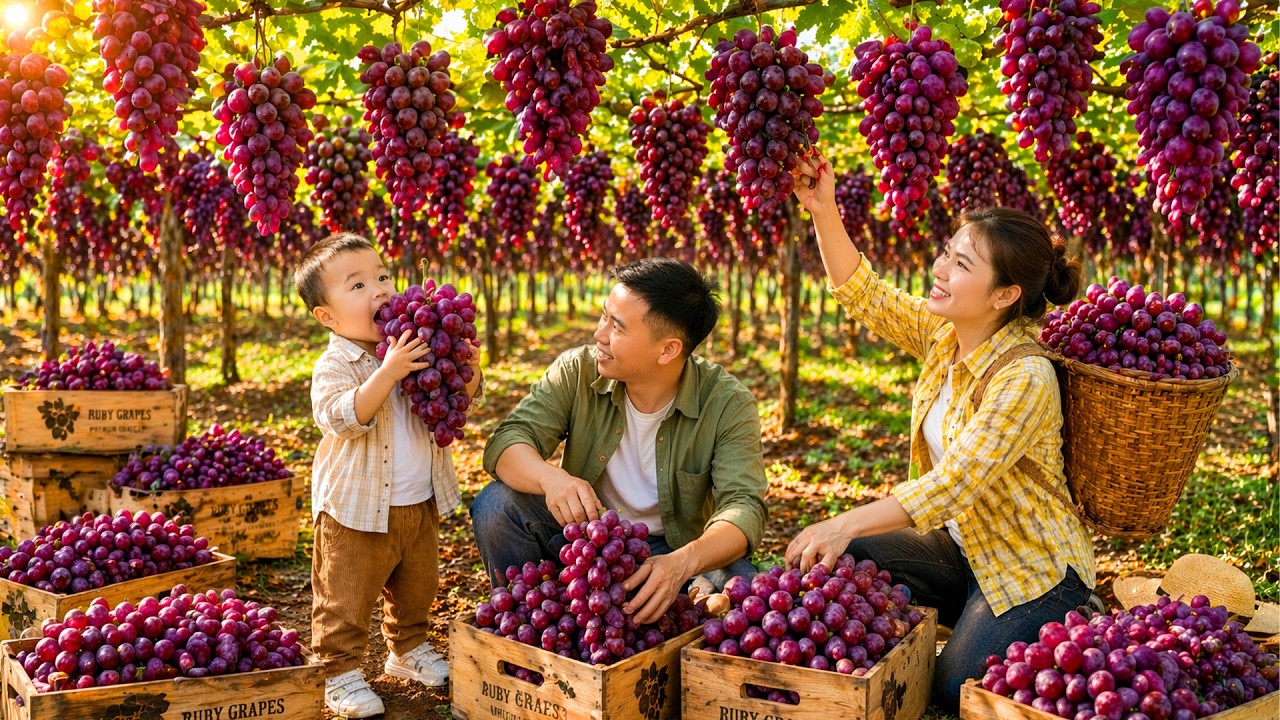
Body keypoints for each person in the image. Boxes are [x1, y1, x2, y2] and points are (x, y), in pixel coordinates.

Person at [785, 153, 1095, 711]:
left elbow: (953, 482)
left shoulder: (1027, 375)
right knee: (844, 555)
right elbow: (865, 295)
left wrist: (839, 520)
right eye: (947, 254)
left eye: (961, 264)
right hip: (961, 551)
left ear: (1004, 296)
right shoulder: (946, 337)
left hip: (1033, 570)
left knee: (952, 690)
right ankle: (960, 628)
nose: (940, 269)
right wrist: (823, 208)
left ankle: (1064, 618)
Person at [471, 257, 767, 624]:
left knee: (749, 594)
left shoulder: (726, 403)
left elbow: (743, 506)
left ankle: (661, 607)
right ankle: (534, 617)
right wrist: (552, 479)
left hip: (673, 553)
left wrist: (681, 563)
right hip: (582, 544)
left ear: (668, 350)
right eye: (604, 316)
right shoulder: (577, 371)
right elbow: (508, 441)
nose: (599, 334)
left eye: (617, 327)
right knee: (497, 505)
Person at [296, 232, 483, 718]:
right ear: (327, 316)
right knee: (345, 596)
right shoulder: (338, 362)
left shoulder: (410, 344)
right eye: (357, 285)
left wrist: (468, 370)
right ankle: (336, 671)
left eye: (382, 276)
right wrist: (389, 371)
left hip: (418, 501)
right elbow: (339, 417)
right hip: (353, 512)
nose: (378, 289)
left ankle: (408, 650)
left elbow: (457, 399)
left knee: (418, 586)